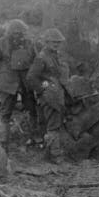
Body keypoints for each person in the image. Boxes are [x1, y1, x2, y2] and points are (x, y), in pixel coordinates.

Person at [0, 19, 39, 147]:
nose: (17, 35)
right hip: (7, 82)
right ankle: (3, 143)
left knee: (32, 109)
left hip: (26, 82)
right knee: (5, 112)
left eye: (20, 33)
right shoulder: (1, 43)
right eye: (14, 33)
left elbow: (36, 63)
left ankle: (34, 137)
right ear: (9, 33)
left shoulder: (29, 43)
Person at [26, 28, 70, 162]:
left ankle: (48, 154)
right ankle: (55, 156)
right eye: (53, 42)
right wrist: (42, 90)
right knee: (53, 125)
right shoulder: (41, 57)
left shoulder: (56, 55)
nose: (56, 44)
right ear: (46, 42)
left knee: (53, 124)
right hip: (49, 96)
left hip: (57, 95)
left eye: (58, 42)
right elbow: (31, 77)